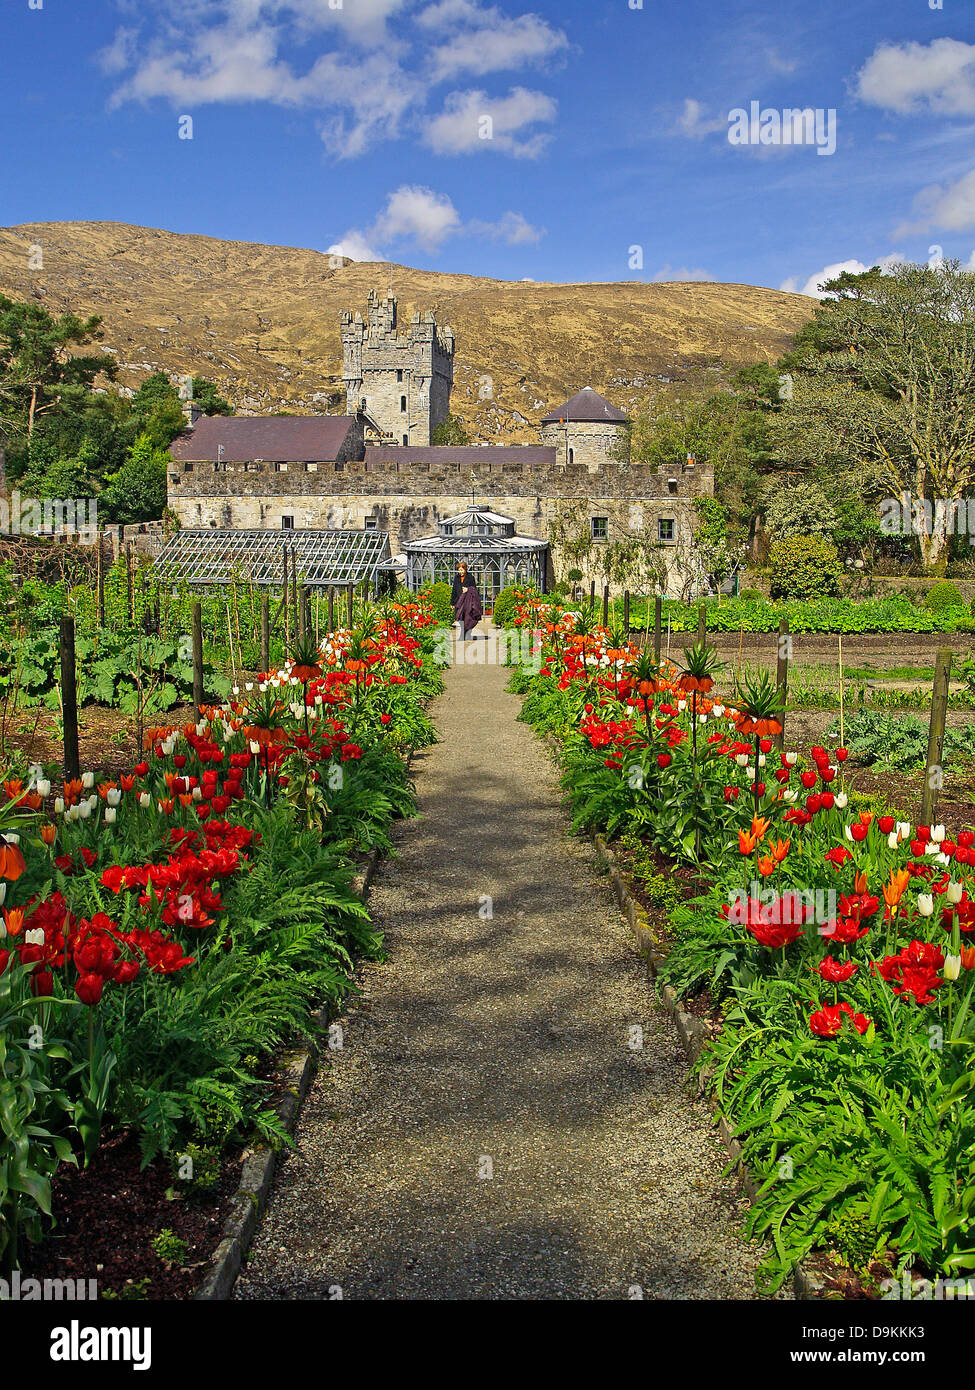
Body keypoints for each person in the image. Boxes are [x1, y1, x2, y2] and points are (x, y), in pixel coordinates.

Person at [452, 562, 482, 641]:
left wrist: (468, 589)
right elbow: (454, 590)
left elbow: (474, 589)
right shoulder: (456, 578)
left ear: (465, 569)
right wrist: (452, 603)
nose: (460, 572)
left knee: (468, 618)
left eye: (462, 570)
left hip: (468, 601)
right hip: (459, 601)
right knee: (460, 618)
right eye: (459, 570)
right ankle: (463, 634)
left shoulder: (470, 577)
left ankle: (467, 634)